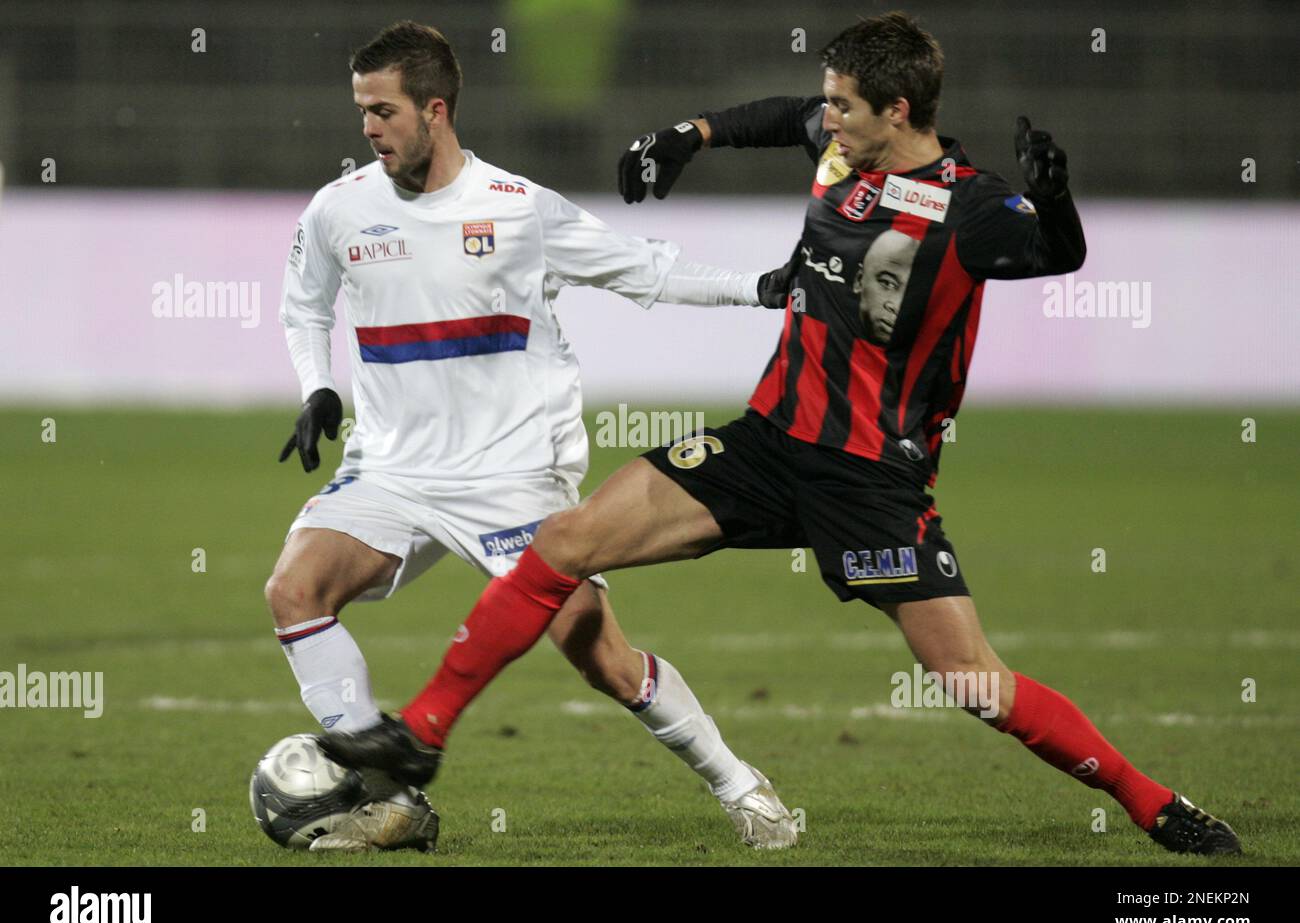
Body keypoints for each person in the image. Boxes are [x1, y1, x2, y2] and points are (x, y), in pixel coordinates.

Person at [321, 12, 1241, 856]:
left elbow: (1057, 253)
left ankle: (1153, 804)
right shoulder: (844, 146)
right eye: (828, 102)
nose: (825, 119)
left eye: (842, 105)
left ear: (899, 109)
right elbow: (778, 115)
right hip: (765, 448)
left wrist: (1060, 198)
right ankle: (426, 732)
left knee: (969, 680)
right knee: (564, 543)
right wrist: (689, 136)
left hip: (870, 482)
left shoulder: (971, 207)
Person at [271, 20, 800, 852]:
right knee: (294, 592)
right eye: (360, 109)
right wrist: (319, 387)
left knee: (602, 660)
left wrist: (759, 286)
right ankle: (391, 795)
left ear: (435, 109)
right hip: (394, 470)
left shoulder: (517, 210)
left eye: (383, 111)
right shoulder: (340, 209)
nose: (367, 128)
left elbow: (645, 269)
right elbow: (303, 305)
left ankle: (744, 787)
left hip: (512, 477)